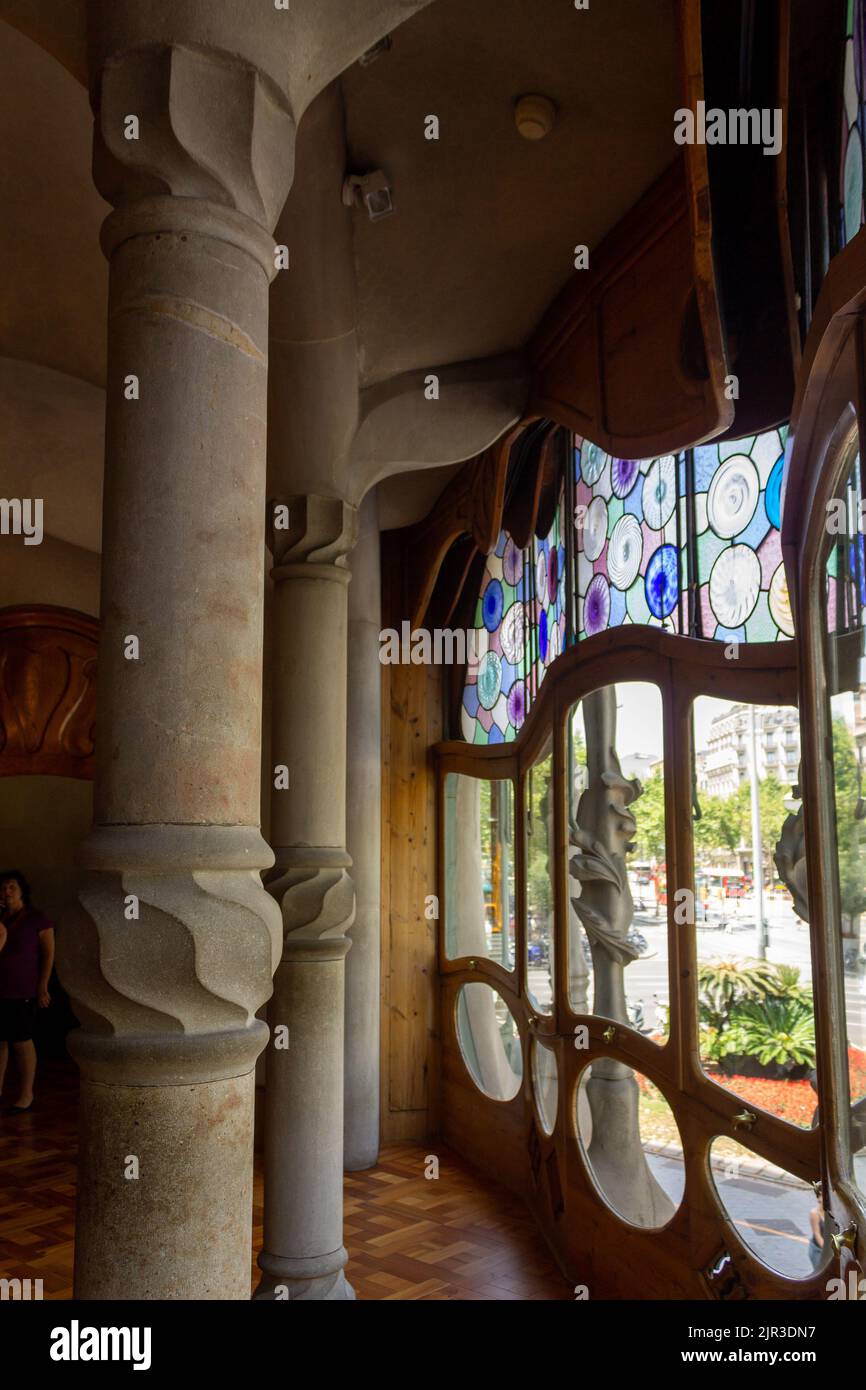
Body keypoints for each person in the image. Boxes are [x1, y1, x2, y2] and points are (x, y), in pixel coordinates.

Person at [0, 870, 55, 1114]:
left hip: (22, 988)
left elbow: (48, 954)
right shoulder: (1, 919)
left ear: (22, 890)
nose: (6, 891)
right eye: (2, 888)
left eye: (11, 886)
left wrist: (43, 985)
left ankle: (26, 1094)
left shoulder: (37, 919)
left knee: (21, 1039)